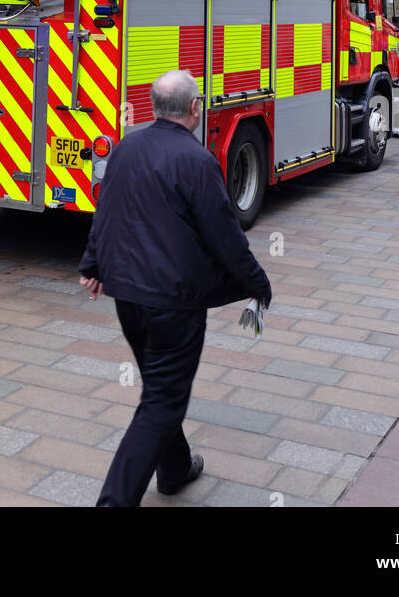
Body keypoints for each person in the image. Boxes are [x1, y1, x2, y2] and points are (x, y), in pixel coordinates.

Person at [79, 70, 272, 508]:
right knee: (162, 400)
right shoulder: (199, 160)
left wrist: (92, 264)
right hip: (174, 303)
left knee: (160, 387)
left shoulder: (127, 147)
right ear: (193, 109)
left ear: (152, 107)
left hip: (127, 296)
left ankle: (174, 468)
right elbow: (226, 237)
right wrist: (257, 283)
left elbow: (105, 210)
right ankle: (114, 501)